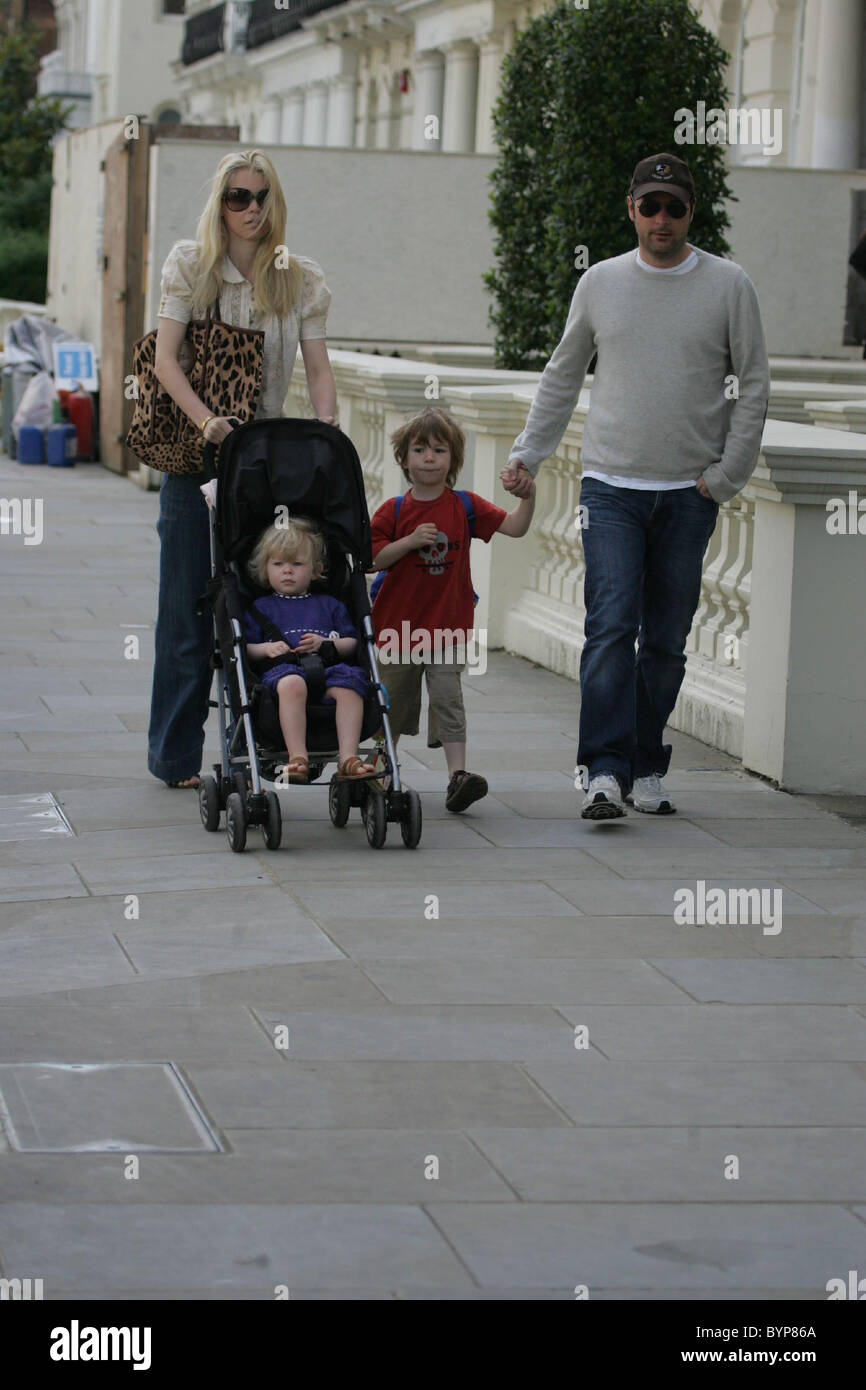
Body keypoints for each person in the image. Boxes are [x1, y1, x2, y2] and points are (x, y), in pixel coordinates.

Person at [501, 152, 770, 820]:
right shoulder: (600, 282)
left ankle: (647, 763)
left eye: (673, 207)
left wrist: (725, 477)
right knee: (609, 626)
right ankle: (602, 771)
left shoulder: (729, 284)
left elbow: (755, 383)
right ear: (631, 209)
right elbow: (564, 374)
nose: (661, 219)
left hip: (690, 493)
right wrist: (528, 454)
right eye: (649, 206)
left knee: (668, 640)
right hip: (609, 488)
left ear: (690, 212)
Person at [147, 148, 338, 789]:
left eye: (261, 197)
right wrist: (208, 423)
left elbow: (317, 369)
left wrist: (328, 434)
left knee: (255, 604)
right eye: (237, 197)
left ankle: (248, 747)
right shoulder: (190, 264)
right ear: (220, 204)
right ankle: (175, 760)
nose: (250, 209)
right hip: (197, 452)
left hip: (264, 460)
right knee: (185, 612)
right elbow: (165, 360)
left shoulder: (299, 278)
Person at [370, 406, 535, 813]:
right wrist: (408, 541)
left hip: (448, 628)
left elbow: (514, 527)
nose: (429, 457)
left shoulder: (465, 506)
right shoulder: (392, 511)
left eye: (439, 450)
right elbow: (373, 560)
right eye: (420, 449)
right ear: (404, 459)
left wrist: (529, 498)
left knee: (448, 698)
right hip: (398, 629)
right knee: (393, 702)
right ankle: (381, 770)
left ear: (453, 460)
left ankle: (457, 777)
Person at [244, 518, 376, 784]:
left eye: (296, 564)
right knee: (293, 684)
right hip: (283, 674)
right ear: (265, 569)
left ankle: (348, 758)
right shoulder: (260, 608)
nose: (287, 571)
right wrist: (267, 649)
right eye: (278, 564)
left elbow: (352, 643)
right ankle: (297, 757)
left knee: (351, 688)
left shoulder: (329, 605)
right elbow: (244, 649)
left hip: (329, 671)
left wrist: (327, 644)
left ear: (315, 569)